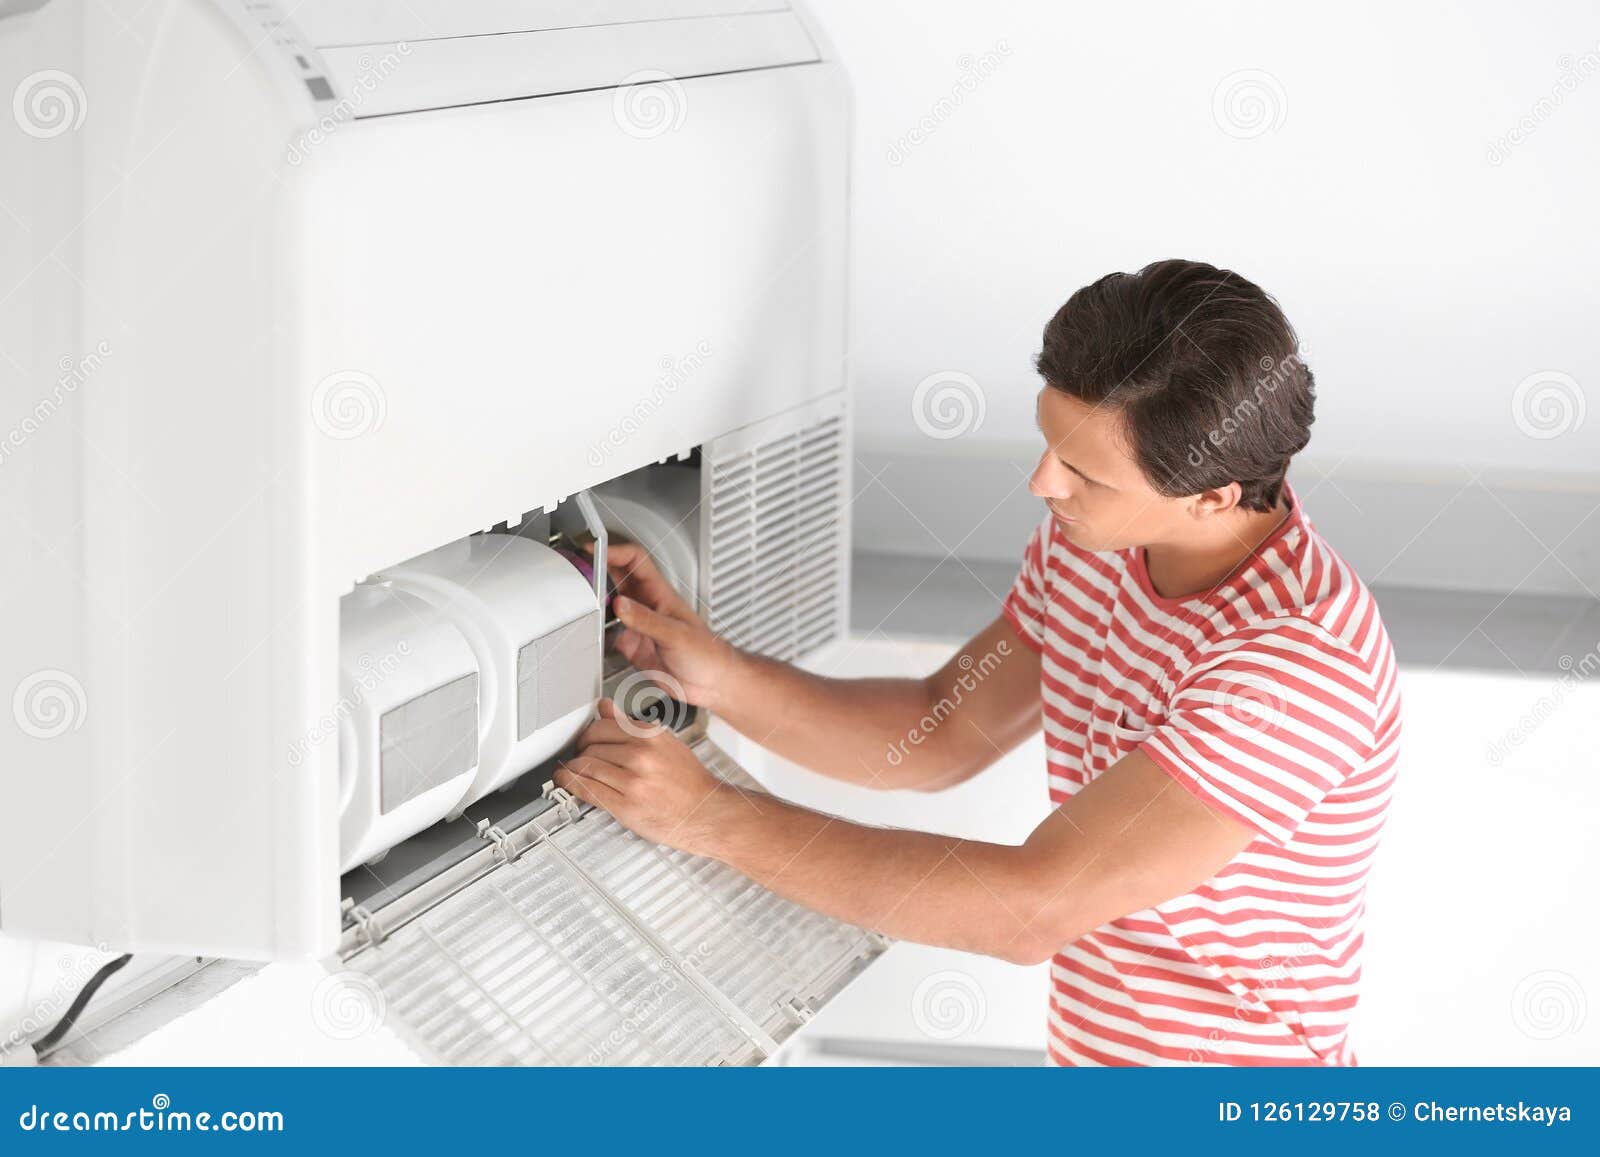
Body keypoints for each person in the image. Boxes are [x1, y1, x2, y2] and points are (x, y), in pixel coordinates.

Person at [556, 259, 1402, 1066]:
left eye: (1084, 472)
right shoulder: (1101, 539)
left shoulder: (1296, 664)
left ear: (1212, 497)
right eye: (1049, 443)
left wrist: (712, 817)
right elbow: (941, 729)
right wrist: (720, 675)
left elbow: (1032, 908)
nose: (1043, 483)